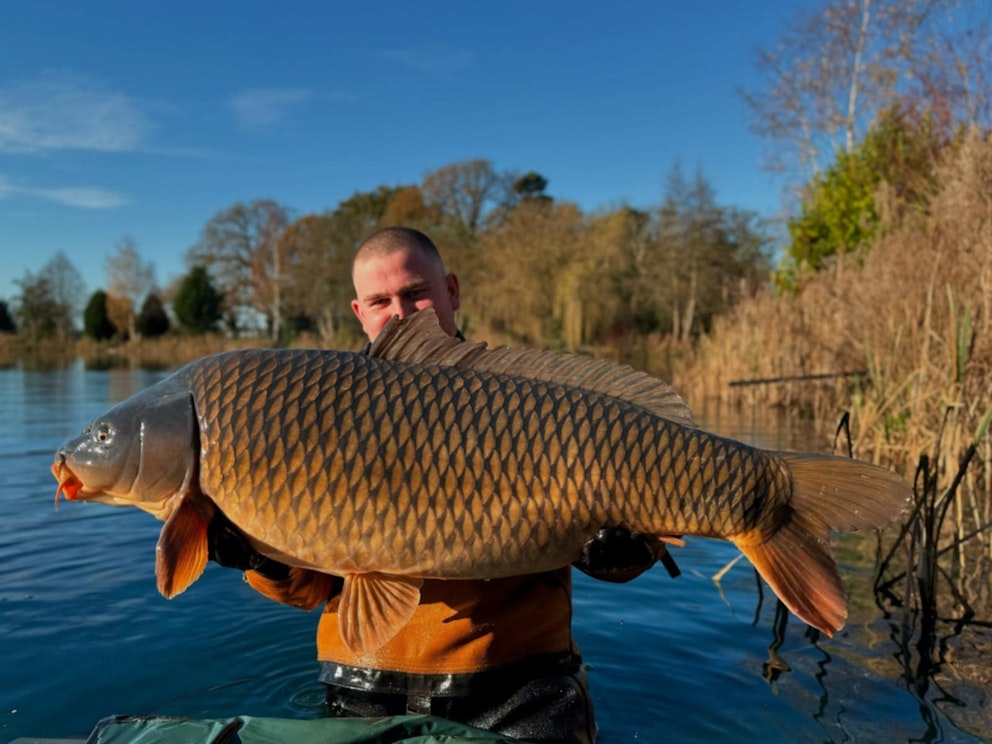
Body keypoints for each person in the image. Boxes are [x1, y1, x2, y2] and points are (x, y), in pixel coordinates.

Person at [209, 227, 673, 744]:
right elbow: (311, 588)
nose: (400, 314)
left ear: (451, 292)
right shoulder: (319, 413)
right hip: (358, 692)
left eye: (415, 293)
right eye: (380, 301)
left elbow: (642, 540)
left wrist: (622, 555)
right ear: (359, 313)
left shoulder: (534, 398)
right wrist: (259, 558)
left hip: (518, 695)